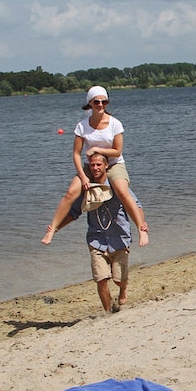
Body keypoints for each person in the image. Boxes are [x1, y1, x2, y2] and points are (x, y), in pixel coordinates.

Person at [42, 85, 149, 247]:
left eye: (104, 102)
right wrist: (83, 176)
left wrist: (98, 149)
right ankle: (52, 229)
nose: (100, 105)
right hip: (90, 166)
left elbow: (118, 151)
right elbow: (76, 154)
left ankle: (141, 229)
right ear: (90, 103)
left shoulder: (115, 124)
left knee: (121, 190)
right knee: (71, 192)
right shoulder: (82, 126)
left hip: (113, 164)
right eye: (97, 102)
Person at [57, 152, 136, 313]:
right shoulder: (87, 188)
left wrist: (142, 227)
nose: (95, 168)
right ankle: (108, 313)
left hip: (119, 239)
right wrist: (56, 227)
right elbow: (74, 212)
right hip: (96, 240)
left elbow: (135, 205)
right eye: (92, 165)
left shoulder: (117, 186)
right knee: (101, 279)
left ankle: (123, 289)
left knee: (119, 280)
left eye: (98, 164)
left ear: (106, 165)